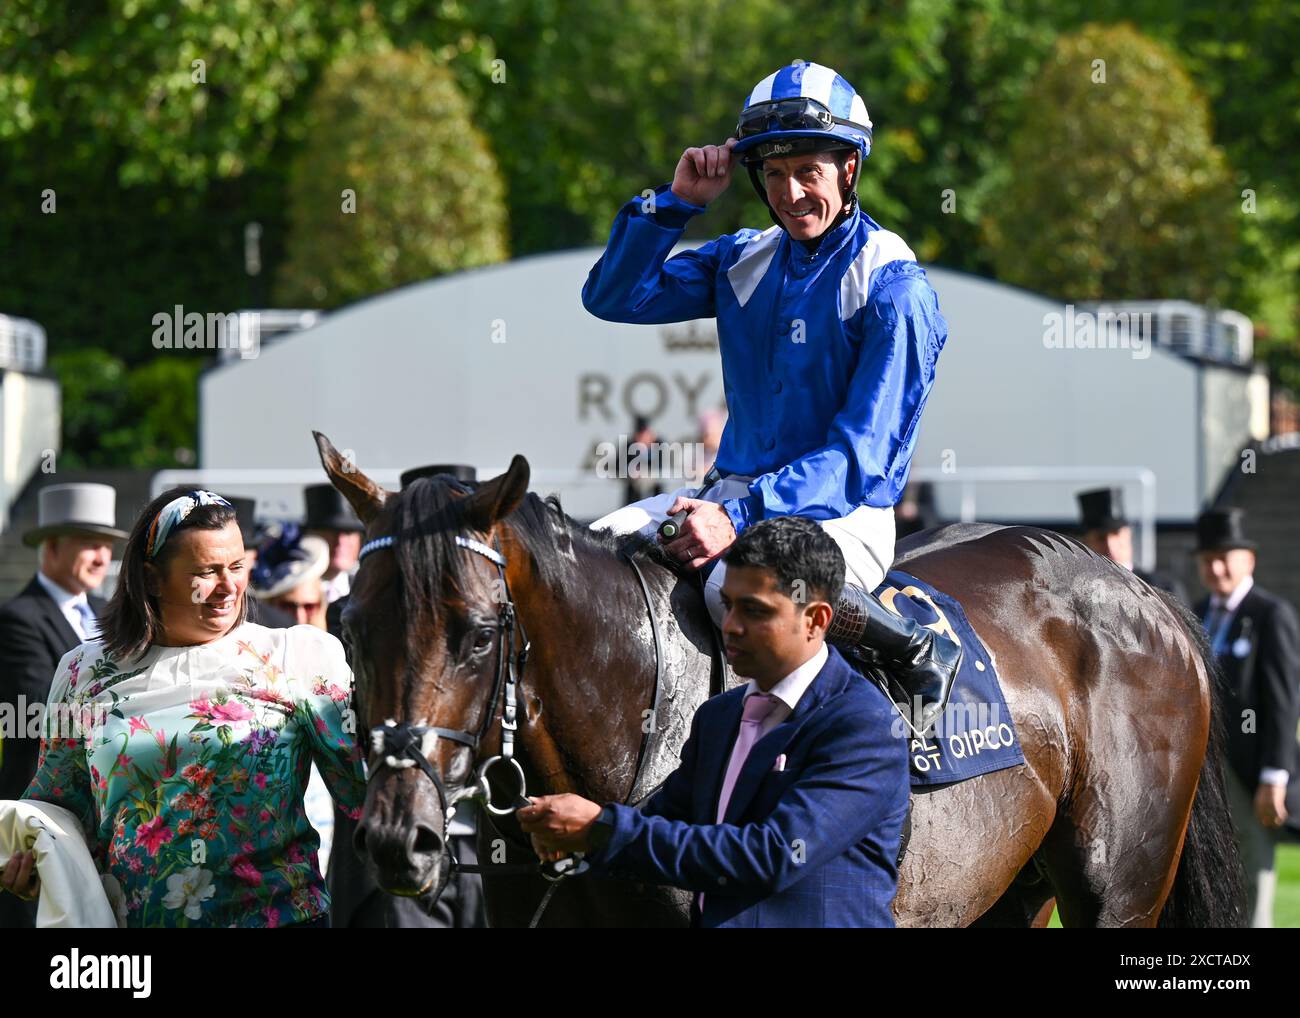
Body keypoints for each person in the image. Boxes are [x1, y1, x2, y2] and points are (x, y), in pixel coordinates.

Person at [581, 60, 960, 733]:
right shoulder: (744, 258)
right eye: (775, 175)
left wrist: (742, 512)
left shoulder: (894, 287)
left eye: (807, 172)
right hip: (730, 498)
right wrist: (677, 204)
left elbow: (859, 462)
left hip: (842, 513)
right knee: (593, 554)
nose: (789, 193)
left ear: (849, 169)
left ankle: (911, 647)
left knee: (740, 581)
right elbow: (612, 298)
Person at [518, 516, 910, 927]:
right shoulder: (719, 717)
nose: (731, 626)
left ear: (816, 620)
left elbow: (771, 857)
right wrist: (569, 837)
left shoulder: (864, 726)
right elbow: (663, 825)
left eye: (754, 610)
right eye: (729, 604)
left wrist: (600, 829)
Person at [0, 488, 364, 927]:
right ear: (152, 578)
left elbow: (363, 790)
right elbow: (57, 802)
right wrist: (30, 855)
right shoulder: (81, 673)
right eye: (206, 572)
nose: (229, 587)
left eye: (236, 566)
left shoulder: (298, 657)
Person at [0, 482, 126, 928]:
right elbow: (38, 709)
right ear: (51, 547)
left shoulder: (108, 613)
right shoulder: (19, 619)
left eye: (107, 546)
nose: (102, 557)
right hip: (45, 814)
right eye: (90, 544)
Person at [1194, 507, 1300, 928]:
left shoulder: (1271, 616)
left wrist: (1275, 776)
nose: (1216, 567)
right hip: (1203, 772)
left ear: (1248, 560)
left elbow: (1283, 700)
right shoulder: (1196, 611)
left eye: (1226, 556)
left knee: (1253, 874)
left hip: (1248, 771)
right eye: (1207, 559)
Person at [1076, 486, 1187, 602]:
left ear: (1128, 534)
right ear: (1085, 542)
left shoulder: (1162, 589)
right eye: (1101, 538)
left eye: (1116, 534)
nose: (1110, 546)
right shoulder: (1078, 594)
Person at [303, 484, 363, 607]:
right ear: (310, 535)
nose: (340, 541)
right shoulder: (289, 597)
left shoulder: (367, 593)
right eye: (331, 531)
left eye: (348, 532)